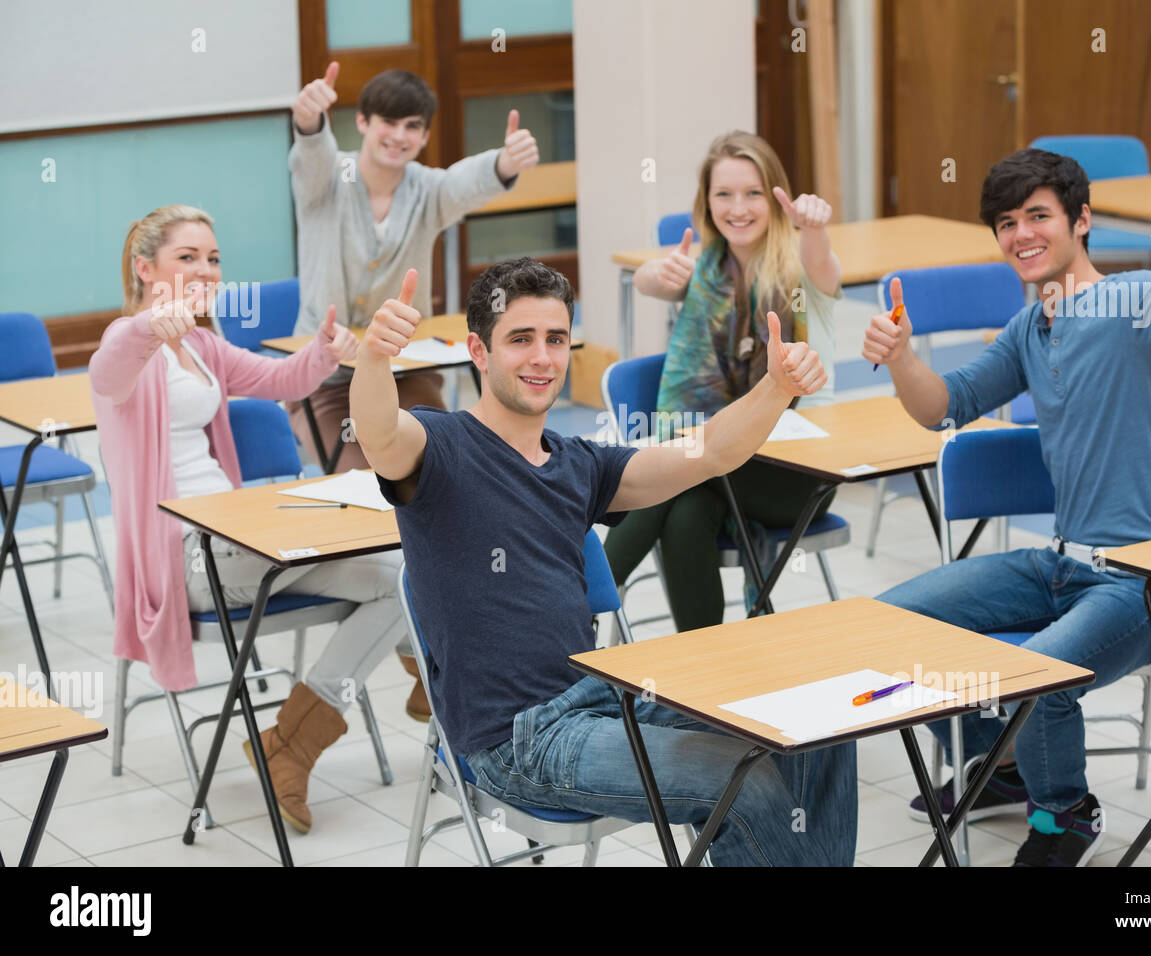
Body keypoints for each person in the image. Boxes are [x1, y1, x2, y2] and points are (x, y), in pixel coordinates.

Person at [350, 258, 858, 866]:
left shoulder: (579, 463)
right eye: (520, 339)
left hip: (604, 699)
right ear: (478, 353)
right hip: (522, 741)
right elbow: (379, 435)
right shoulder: (441, 448)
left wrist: (776, 387)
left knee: (820, 728)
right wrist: (375, 360)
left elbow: (709, 454)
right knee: (746, 782)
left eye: (556, 339)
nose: (543, 357)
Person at [862, 148, 1151, 866]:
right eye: (1007, 222)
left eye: (1039, 216)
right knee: (895, 622)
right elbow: (942, 408)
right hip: (1059, 567)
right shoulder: (1029, 329)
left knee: (1040, 676)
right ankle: (1008, 765)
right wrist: (900, 359)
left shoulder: (1136, 299)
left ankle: (1065, 815)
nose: (1021, 234)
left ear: (1082, 221)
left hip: (1148, 583)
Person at [89, 205, 409, 834]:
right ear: (144, 268)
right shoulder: (126, 347)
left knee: (394, 577)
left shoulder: (203, 345)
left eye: (213, 259)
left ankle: (292, 743)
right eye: (188, 258)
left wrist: (325, 349)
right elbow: (109, 368)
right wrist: (149, 326)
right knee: (320, 533)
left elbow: (277, 377)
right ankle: (429, 668)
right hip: (187, 558)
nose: (206, 270)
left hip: (239, 541)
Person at [287, 62, 538, 713]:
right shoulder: (330, 180)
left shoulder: (426, 188)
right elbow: (310, 160)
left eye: (413, 127)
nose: (398, 137)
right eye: (386, 123)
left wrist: (506, 163)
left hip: (407, 372)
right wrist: (310, 119)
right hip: (329, 379)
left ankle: (437, 658)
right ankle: (431, 660)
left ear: (422, 135)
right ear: (362, 124)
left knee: (454, 489)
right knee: (383, 499)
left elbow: (467, 182)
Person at [602, 130, 843, 632]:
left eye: (753, 193)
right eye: (723, 195)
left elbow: (824, 270)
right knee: (687, 503)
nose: (739, 208)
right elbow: (650, 281)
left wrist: (815, 228)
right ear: (705, 202)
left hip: (797, 470)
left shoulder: (798, 269)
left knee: (675, 467)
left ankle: (574, 604)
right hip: (718, 464)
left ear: (776, 196)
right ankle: (703, 676)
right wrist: (652, 273)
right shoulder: (708, 270)